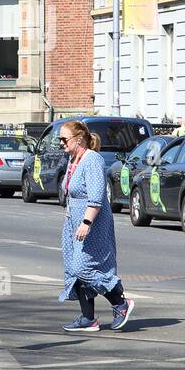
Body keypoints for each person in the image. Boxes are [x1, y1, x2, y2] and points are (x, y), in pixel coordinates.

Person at [57, 119, 132, 332]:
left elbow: (96, 196)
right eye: (60, 140)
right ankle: (88, 317)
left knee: (84, 268)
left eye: (64, 139)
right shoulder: (73, 160)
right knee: (74, 268)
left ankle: (120, 302)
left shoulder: (92, 160)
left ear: (79, 138)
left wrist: (86, 222)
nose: (61, 143)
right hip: (74, 224)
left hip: (92, 224)